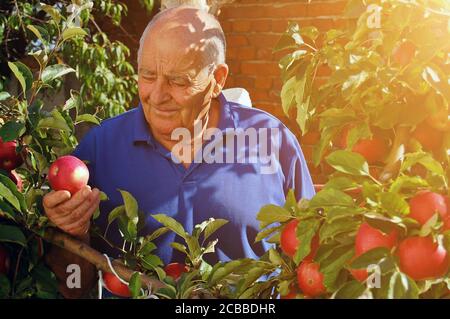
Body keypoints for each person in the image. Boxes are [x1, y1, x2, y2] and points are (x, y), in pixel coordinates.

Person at [43, 5, 315, 298]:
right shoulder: (99, 148)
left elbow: (313, 255)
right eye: (148, 76)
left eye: (178, 81)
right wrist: (73, 230)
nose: (158, 96)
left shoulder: (270, 141)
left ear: (217, 80)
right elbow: (72, 287)